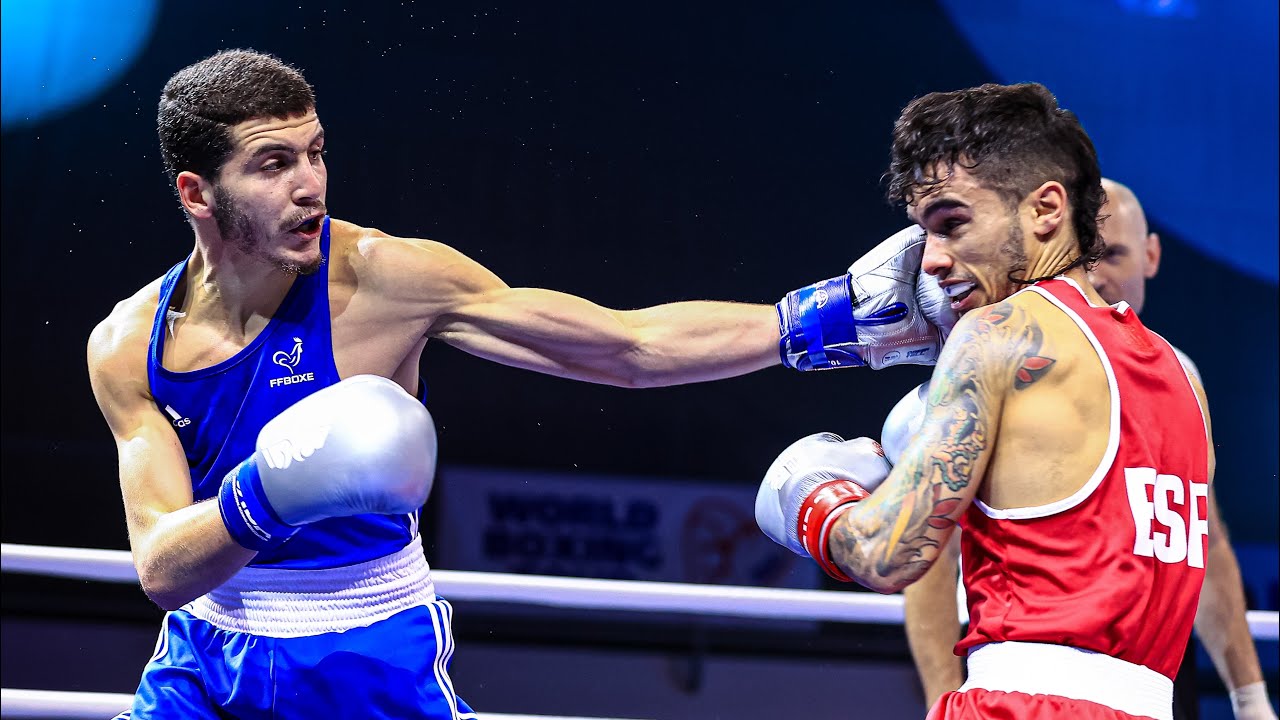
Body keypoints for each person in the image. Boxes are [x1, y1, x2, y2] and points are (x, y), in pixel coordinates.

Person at [85, 49, 952, 719]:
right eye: (273, 164)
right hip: (204, 655)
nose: (311, 184)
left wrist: (821, 321)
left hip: (367, 646)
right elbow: (162, 569)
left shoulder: (388, 278)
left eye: (316, 152)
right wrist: (272, 490)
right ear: (197, 192)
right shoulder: (129, 345)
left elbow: (626, 346)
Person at [757, 82, 1221, 719]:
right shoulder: (1180, 377)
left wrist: (813, 503)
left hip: (1019, 706)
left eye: (951, 224)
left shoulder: (997, 334)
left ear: (1045, 209)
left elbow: (890, 552)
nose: (931, 262)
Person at [898, 178, 1277, 719]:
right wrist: (941, 696)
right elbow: (932, 550)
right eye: (1086, 256)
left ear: (1151, 256)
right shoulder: (1014, 359)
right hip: (1012, 671)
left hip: (1143, 679)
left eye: (1113, 255)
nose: (1096, 273)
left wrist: (1251, 700)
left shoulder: (1181, 376)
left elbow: (1203, 543)